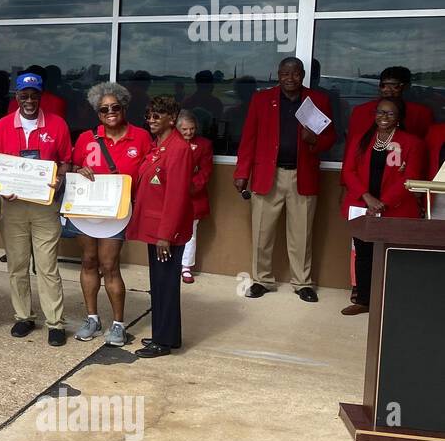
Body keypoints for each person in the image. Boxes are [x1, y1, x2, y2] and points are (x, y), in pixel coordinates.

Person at [233, 56, 336, 302]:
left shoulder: (317, 100)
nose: (290, 79)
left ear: (302, 75)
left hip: (303, 175)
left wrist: (315, 141)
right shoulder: (262, 99)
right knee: (262, 232)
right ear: (278, 75)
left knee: (302, 234)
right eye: (285, 74)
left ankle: (302, 283)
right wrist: (241, 173)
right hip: (268, 174)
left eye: (295, 74)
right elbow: (249, 138)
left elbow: (331, 138)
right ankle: (262, 280)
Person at [0, 71, 72, 346]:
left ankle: (55, 322)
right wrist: (0, 187)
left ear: (41, 96)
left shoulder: (57, 125)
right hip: (13, 207)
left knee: (47, 266)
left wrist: (59, 180)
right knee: (17, 265)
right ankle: (23, 316)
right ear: (17, 96)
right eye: (24, 95)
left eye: (34, 95)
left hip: (44, 206)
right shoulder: (1, 127)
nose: (29, 100)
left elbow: (66, 161)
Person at [68, 83, 150, 346]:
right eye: (104, 109)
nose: (110, 112)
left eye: (115, 107)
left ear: (124, 107)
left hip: (117, 212)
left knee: (109, 265)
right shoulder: (86, 138)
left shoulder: (141, 137)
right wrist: (79, 170)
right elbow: (72, 166)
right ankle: (92, 318)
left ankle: (118, 324)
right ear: (98, 113)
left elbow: (149, 174)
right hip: (86, 211)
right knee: (89, 261)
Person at [340, 97, 426, 316]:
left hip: (395, 208)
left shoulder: (411, 143)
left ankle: (392, 301)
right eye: (380, 112)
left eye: (390, 114)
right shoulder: (362, 139)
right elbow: (348, 171)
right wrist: (367, 197)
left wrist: (383, 202)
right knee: (364, 254)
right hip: (363, 206)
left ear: (399, 119)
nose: (384, 117)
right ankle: (364, 300)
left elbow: (410, 177)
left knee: (393, 256)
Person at [127, 96, 194, 358]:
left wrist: (166, 236)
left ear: (172, 119)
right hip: (154, 228)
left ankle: (163, 342)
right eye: (149, 115)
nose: (151, 120)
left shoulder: (178, 148)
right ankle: (166, 335)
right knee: (159, 283)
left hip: (165, 232)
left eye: (158, 115)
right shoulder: (160, 147)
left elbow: (176, 196)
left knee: (165, 285)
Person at [345, 67, 434, 145]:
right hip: (365, 162)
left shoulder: (421, 113)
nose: (388, 90)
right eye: (383, 85)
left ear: (407, 86)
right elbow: (351, 146)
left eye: (395, 86)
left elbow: (426, 148)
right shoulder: (360, 111)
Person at [177, 110, 213, 284]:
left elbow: (205, 171)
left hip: (193, 196)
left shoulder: (204, 145)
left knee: (190, 232)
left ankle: (186, 266)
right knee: (168, 230)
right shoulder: (170, 142)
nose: (189, 132)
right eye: (184, 129)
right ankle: (171, 264)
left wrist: (190, 187)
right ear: (177, 128)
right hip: (170, 196)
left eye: (192, 129)